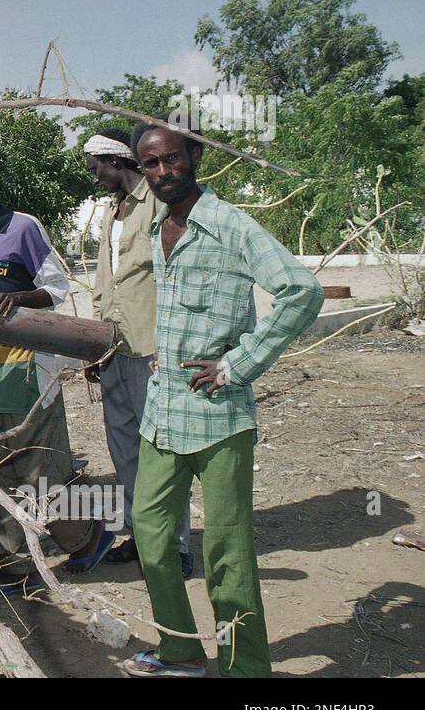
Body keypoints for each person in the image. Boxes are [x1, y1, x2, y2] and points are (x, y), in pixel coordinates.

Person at [121, 124, 322, 678]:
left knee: (227, 557)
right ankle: (181, 650)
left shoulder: (232, 225)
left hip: (218, 419)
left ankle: (245, 670)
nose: (164, 172)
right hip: (162, 413)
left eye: (173, 160)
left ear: (195, 156)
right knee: (153, 537)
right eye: (152, 164)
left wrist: (238, 364)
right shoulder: (158, 226)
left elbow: (301, 291)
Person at [0, 148, 114, 586]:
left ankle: (87, 538)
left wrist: (15, 298)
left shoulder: (22, 227)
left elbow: (54, 286)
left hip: (26, 372)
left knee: (39, 473)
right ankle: (12, 563)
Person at [84, 129, 194, 578]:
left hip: (151, 348)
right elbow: (106, 280)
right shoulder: (113, 211)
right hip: (113, 346)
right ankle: (139, 532)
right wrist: (93, 343)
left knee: (161, 450)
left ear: (116, 161)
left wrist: (174, 343)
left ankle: (177, 543)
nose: (95, 178)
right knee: (124, 447)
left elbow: (177, 271)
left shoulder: (158, 201)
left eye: (97, 169)